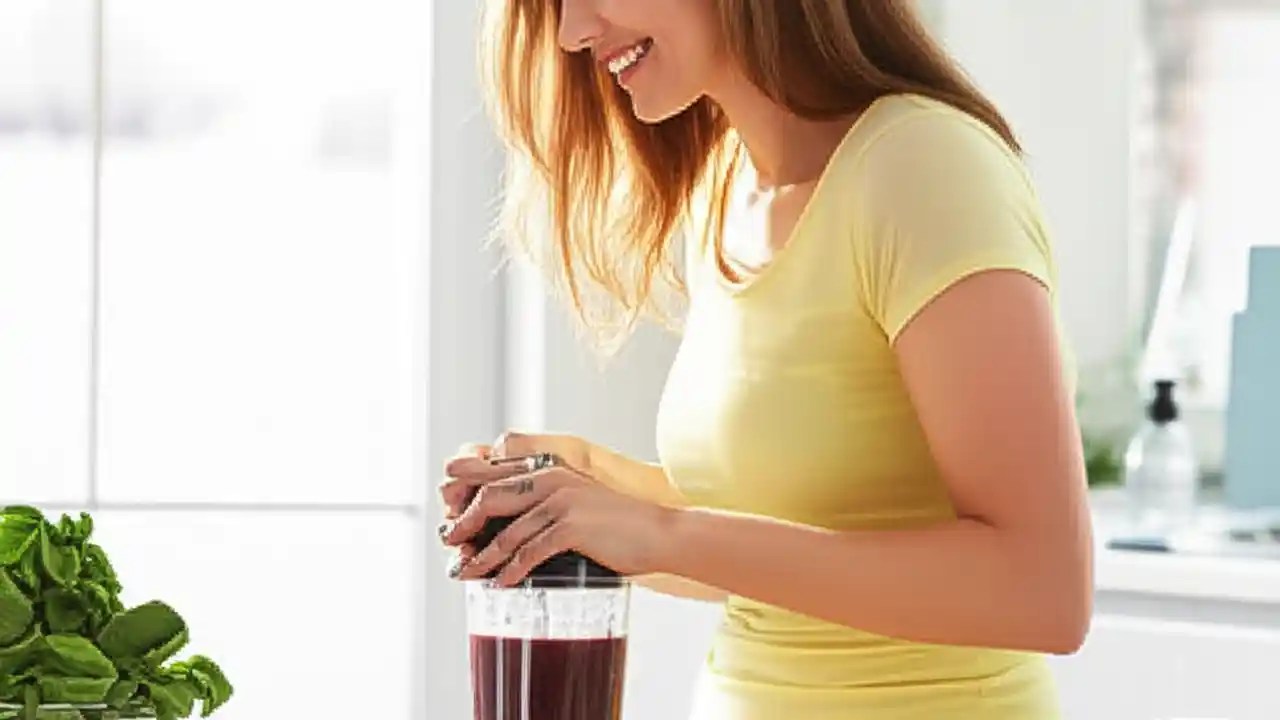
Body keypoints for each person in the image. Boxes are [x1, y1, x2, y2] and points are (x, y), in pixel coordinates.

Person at [439, 1, 1095, 717]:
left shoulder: (926, 168)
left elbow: (1042, 591)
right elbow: (782, 544)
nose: (571, 33)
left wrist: (661, 532)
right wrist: (595, 494)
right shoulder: (727, 188)